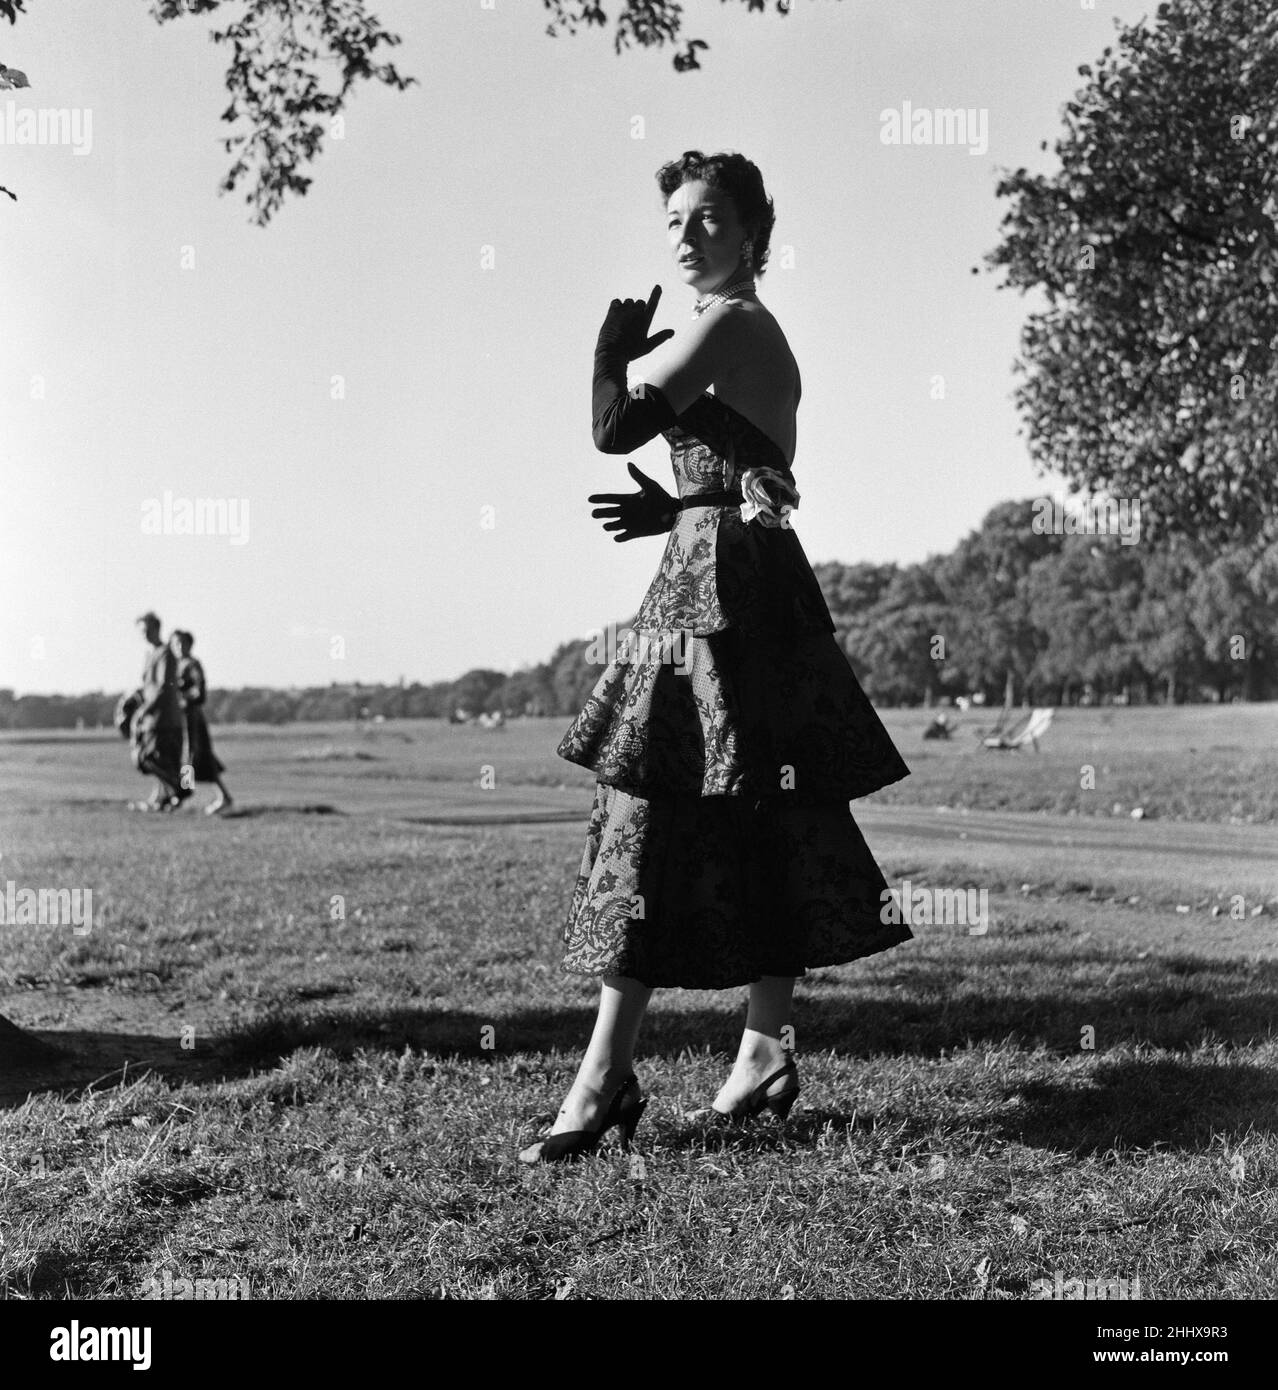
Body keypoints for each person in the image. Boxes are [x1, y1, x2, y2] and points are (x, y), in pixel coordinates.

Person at [521, 151, 913, 1164]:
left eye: (708, 220)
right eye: (675, 222)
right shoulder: (755, 335)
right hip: (743, 572)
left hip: (716, 592)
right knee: (766, 812)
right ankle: (759, 1051)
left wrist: (605, 348)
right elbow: (756, 470)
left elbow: (614, 425)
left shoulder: (730, 320)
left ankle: (607, 1075)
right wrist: (687, 502)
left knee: (647, 812)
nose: (686, 237)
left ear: (752, 235)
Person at [128, 612, 188, 811]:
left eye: (146, 630)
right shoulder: (149, 654)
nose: (143, 635)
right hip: (152, 719)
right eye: (141, 631)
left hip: (166, 718)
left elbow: (163, 687)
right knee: (154, 759)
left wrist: (143, 710)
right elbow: (148, 686)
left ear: (156, 629)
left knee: (153, 757)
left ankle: (183, 789)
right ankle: (165, 796)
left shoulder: (165, 653)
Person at [170, 630, 233, 815]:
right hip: (179, 717)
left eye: (183, 643)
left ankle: (185, 793)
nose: (179, 647)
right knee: (196, 758)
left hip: (191, 717)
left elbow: (200, 691)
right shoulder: (176, 665)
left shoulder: (192, 665)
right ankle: (218, 795)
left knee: (190, 755)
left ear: (190, 644)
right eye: (176, 643)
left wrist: (184, 698)